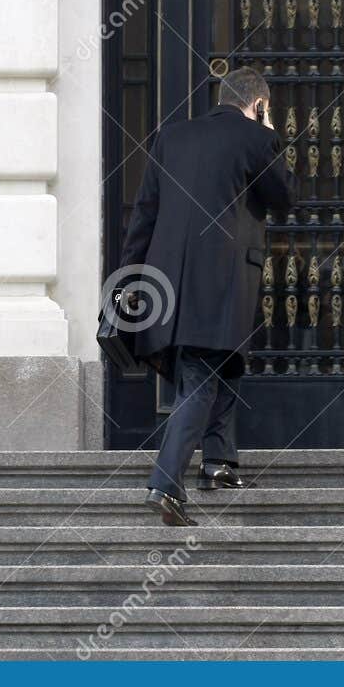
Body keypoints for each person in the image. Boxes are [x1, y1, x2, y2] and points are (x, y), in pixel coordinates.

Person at [115, 66, 296, 526]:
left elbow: (144, 214)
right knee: (200, 377)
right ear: (259, 104)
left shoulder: (171, 138)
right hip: (222, 282)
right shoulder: (256, 140)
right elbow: (285, 198)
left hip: (167, 285)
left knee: (223, 361)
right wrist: (270, 135)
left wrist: (128, 279)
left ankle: (218, 461)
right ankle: (165, 483)